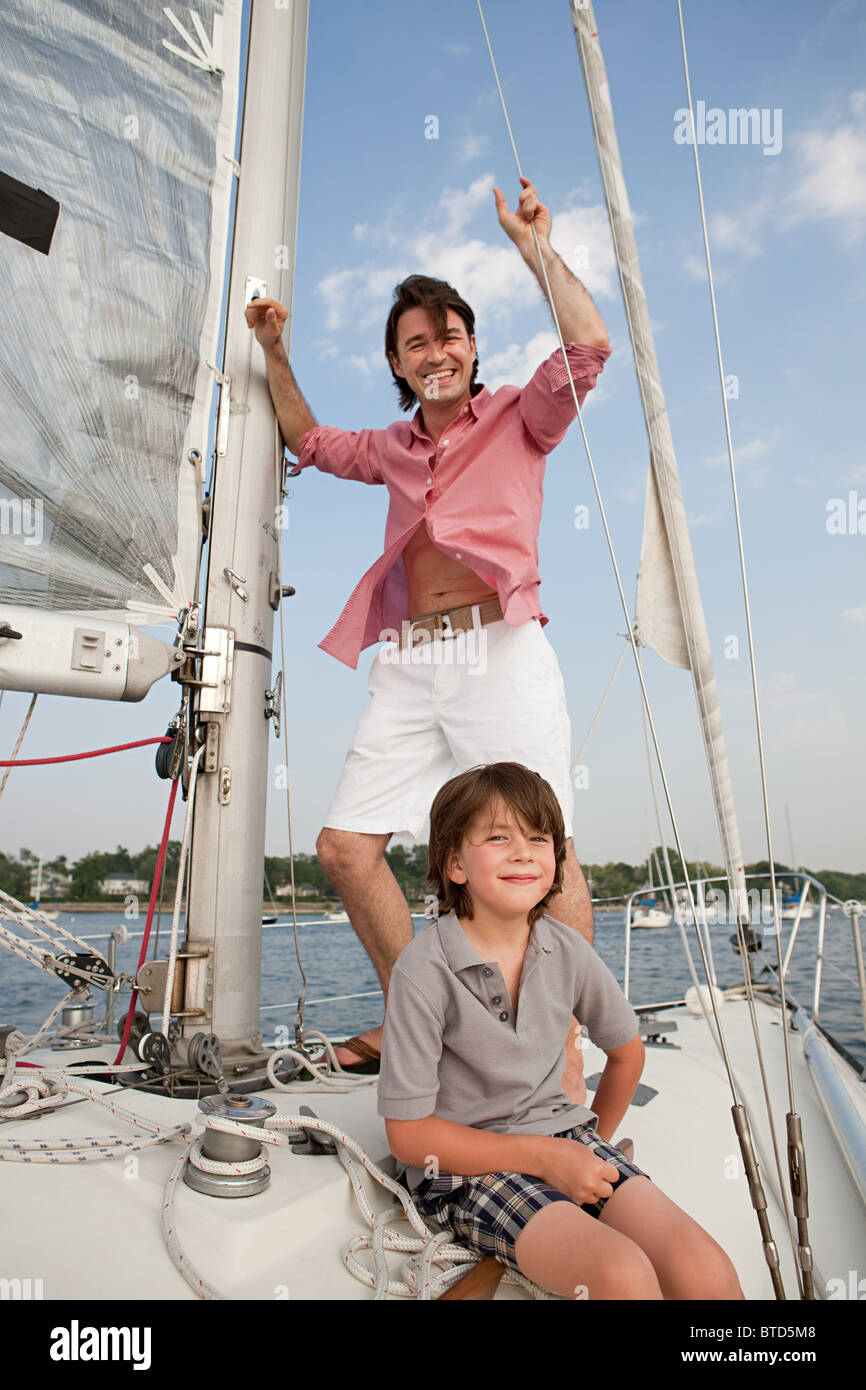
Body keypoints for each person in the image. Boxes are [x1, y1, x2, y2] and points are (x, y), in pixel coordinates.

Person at [246, 179, 610, 1094]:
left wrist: (535, 248)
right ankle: (428, 1018)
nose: (436, 349)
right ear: (400, 367)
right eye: (417, 343)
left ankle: (555, 1050)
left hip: (502, 651)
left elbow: (588, 347)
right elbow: (312, 439)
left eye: (450, 334)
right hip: (413, 660)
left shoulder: (522, 416)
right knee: (345, 848)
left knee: (543, 848)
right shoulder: (392, 446)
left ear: (472, 346)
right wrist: (275, 349)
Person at [378, 762, 744, 1299]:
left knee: (703, 1266)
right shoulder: (423, 969)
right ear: (455, 863)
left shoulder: (568, 951)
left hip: (563, 1135)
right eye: (497, 837)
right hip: (464, 1165)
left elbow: (626, 1054)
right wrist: (546, 1158)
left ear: (556, 858)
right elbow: (408, 1137)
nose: (523, 851)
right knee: (621, 1274)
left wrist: (587, 1144)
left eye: (538, 838)